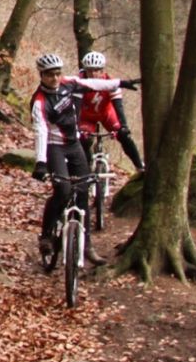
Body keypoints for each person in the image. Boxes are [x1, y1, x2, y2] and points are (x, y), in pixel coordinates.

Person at [29, 52, 135, 270]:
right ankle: (46, 235)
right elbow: (40, 132)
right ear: (42, 75)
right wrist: (40, 162)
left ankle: (87, 247)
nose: (55, 78)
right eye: (49, 75)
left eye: (57, 73)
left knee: (83, 191)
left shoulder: (69, 83)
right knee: (63, 189)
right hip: (54, 147)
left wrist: (120, 83)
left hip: (74, 144)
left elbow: (94, 84)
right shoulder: (39, 101)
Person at [76, 51, 145, 173]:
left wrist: (124, 126)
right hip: (86, 117)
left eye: (96, 70)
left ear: (102, 70)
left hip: (106, 114)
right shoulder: (79, 82)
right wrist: (75, 125)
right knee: (83, 139)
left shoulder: (110, 82)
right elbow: (75, 106)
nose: (93, 74)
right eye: (90, 70)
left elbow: (118, 106)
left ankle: (140, 166)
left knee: (124, 136)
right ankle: (85, 170)